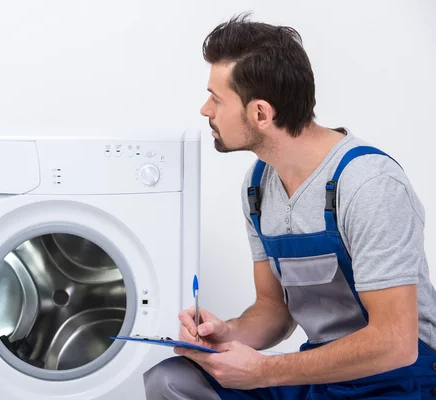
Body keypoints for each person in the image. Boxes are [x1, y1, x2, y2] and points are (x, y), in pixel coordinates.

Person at [143, 12, 436, 399]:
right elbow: (273, 310)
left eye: (216, 98)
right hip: (318, 376)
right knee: (172, 378)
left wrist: (264, 371)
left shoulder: (368, 184)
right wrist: (226, 334)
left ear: (261, 113)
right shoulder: (258, 186)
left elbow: (395, 343)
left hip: (398, 381)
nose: (205, 110)